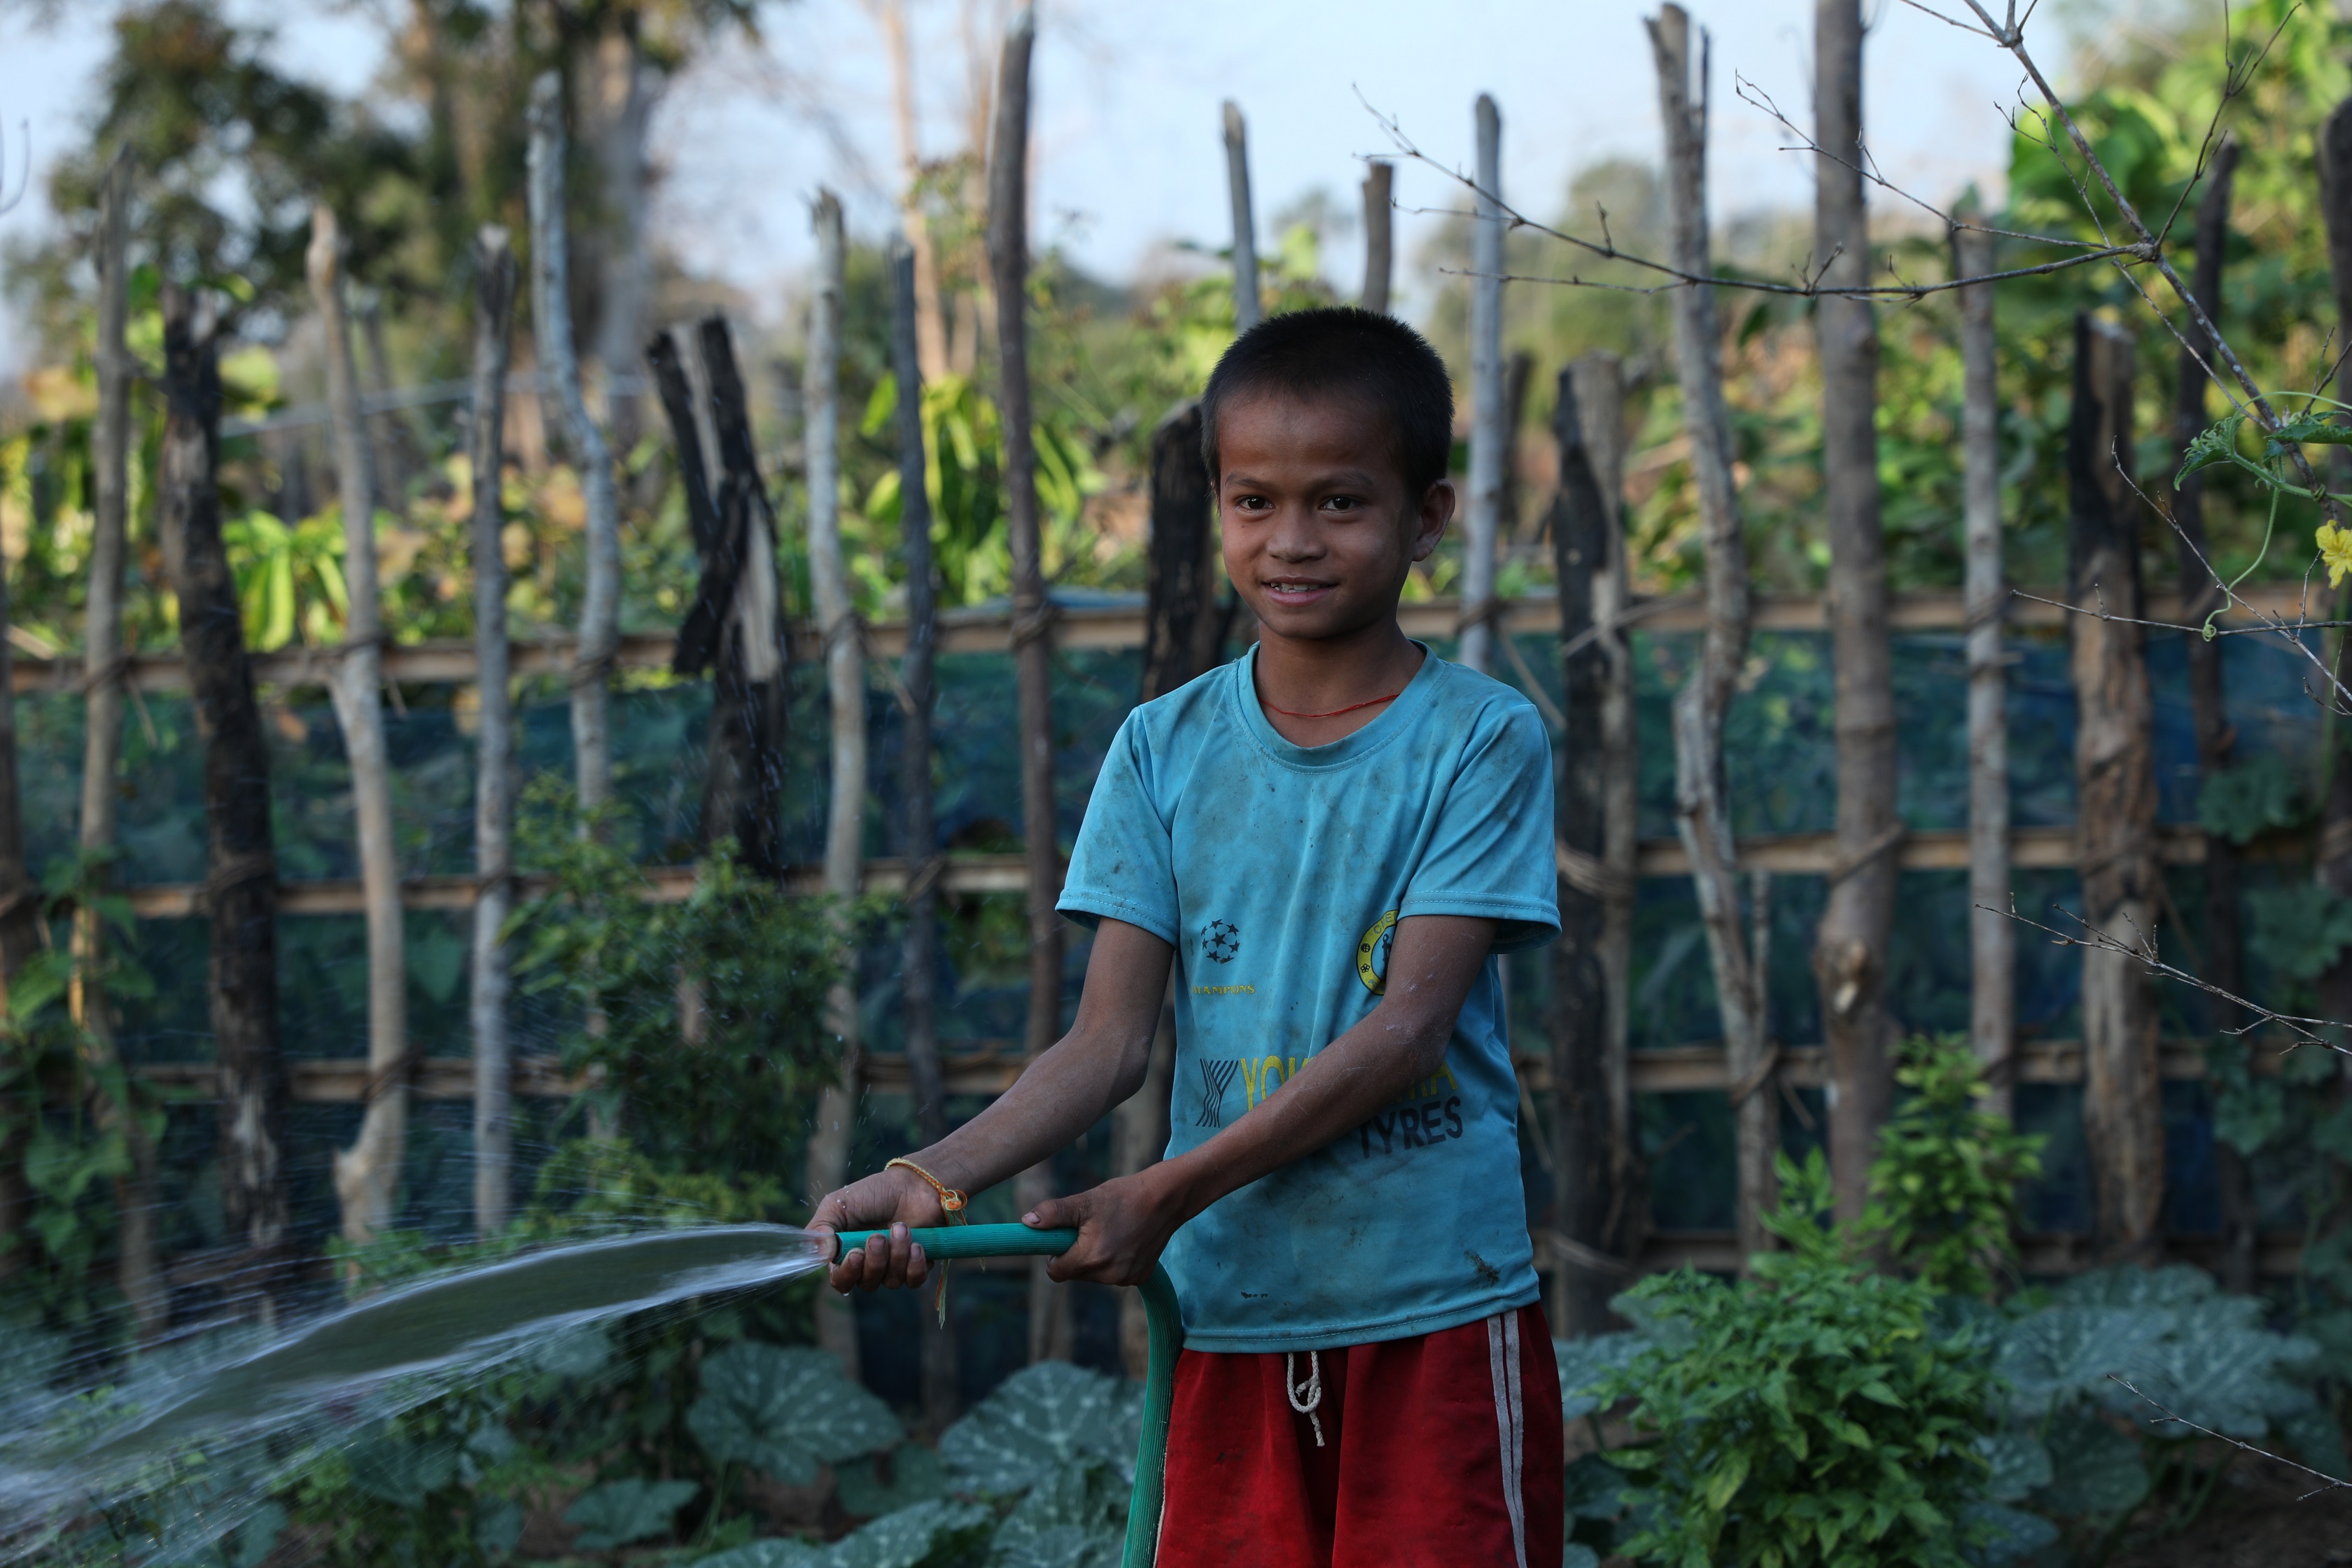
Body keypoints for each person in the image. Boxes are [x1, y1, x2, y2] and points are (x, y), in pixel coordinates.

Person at [811, 306, 1563, 1568]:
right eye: (1254, 502)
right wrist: (932, 1178)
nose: (1292, 541)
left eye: (1339, 502)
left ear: (1428, 516)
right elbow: (1105, 1046)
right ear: (1217, 507)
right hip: (1225, 1308)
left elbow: (1408, 1030)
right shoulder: (1163, 748)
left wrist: (1167, 1189)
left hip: (1431, 1304)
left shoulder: (1479, 739)